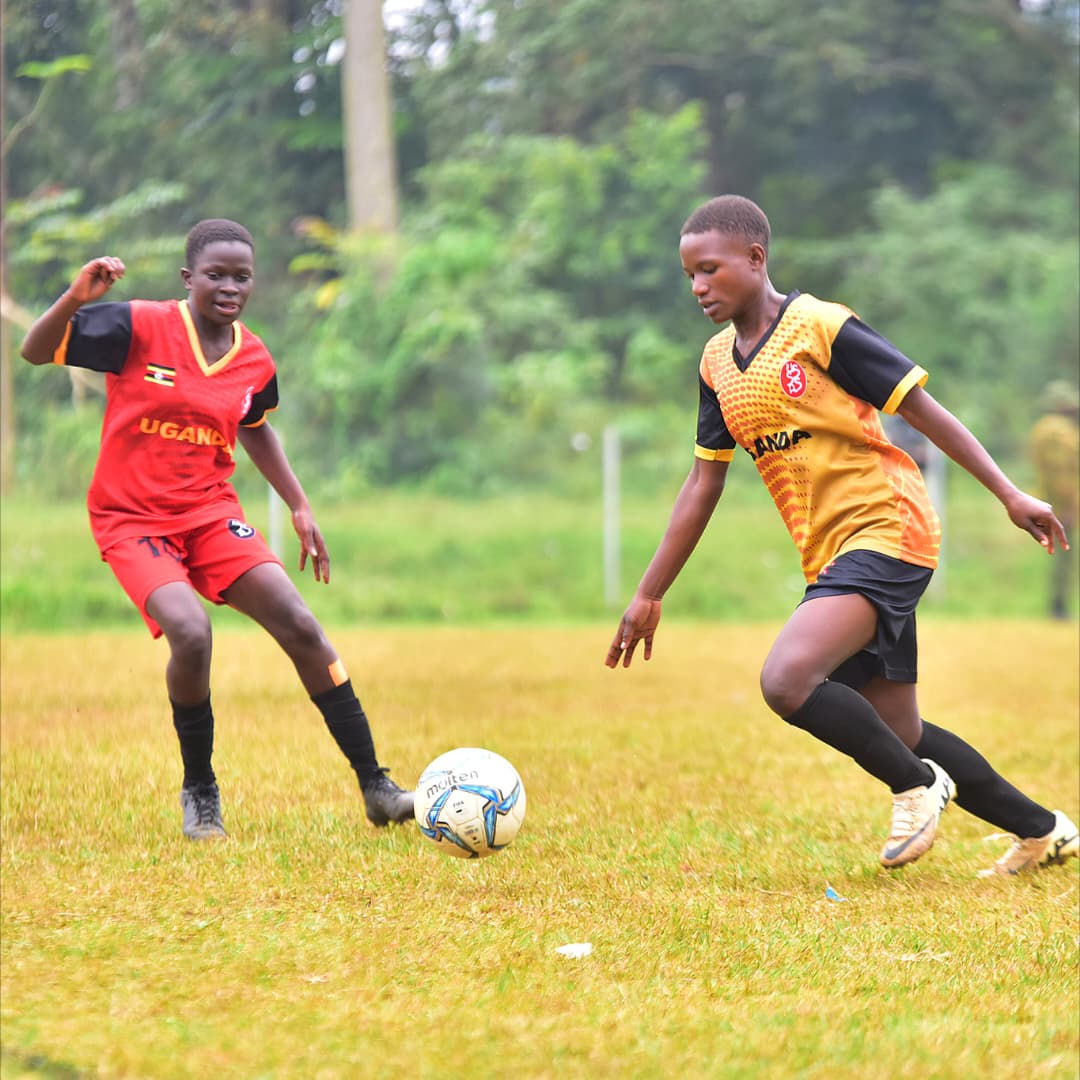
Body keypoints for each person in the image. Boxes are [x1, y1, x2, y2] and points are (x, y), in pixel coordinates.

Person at [605, 195, 1079, 877]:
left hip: (889, 526)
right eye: (689, 276)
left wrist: (1008, 493)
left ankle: (917, 786)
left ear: (755, 258)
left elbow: (925, 410)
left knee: (787, 679)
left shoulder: (821, 327)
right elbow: (703, 482)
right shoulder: (716, 366)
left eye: (710, 269)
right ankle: (1044, 831)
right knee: (901, 729)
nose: (698, 287)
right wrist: (649, 593)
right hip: (831, 555)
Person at [21, 219, 414, 840]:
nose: (230, 287)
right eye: (216, 275)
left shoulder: (253, 357)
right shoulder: (139, 325)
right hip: (131, 518)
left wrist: (299, 504)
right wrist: (76, 297)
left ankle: (376, 785)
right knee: (190, 632)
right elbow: (35, 351)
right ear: (189, 278)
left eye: (242, 277)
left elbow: (254, 424)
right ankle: (200, 790)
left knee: (301, 625)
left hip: (209, 513)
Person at [1029, 380, 1079, 619]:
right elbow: (1061, 472)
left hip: (1048, 501)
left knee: (1059, 557)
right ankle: (1058, 607)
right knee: (1063, 558)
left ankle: (1057, 605)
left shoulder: (1041, 429)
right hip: (1061, 505)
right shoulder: (1060, 432)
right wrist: (1068, 507)